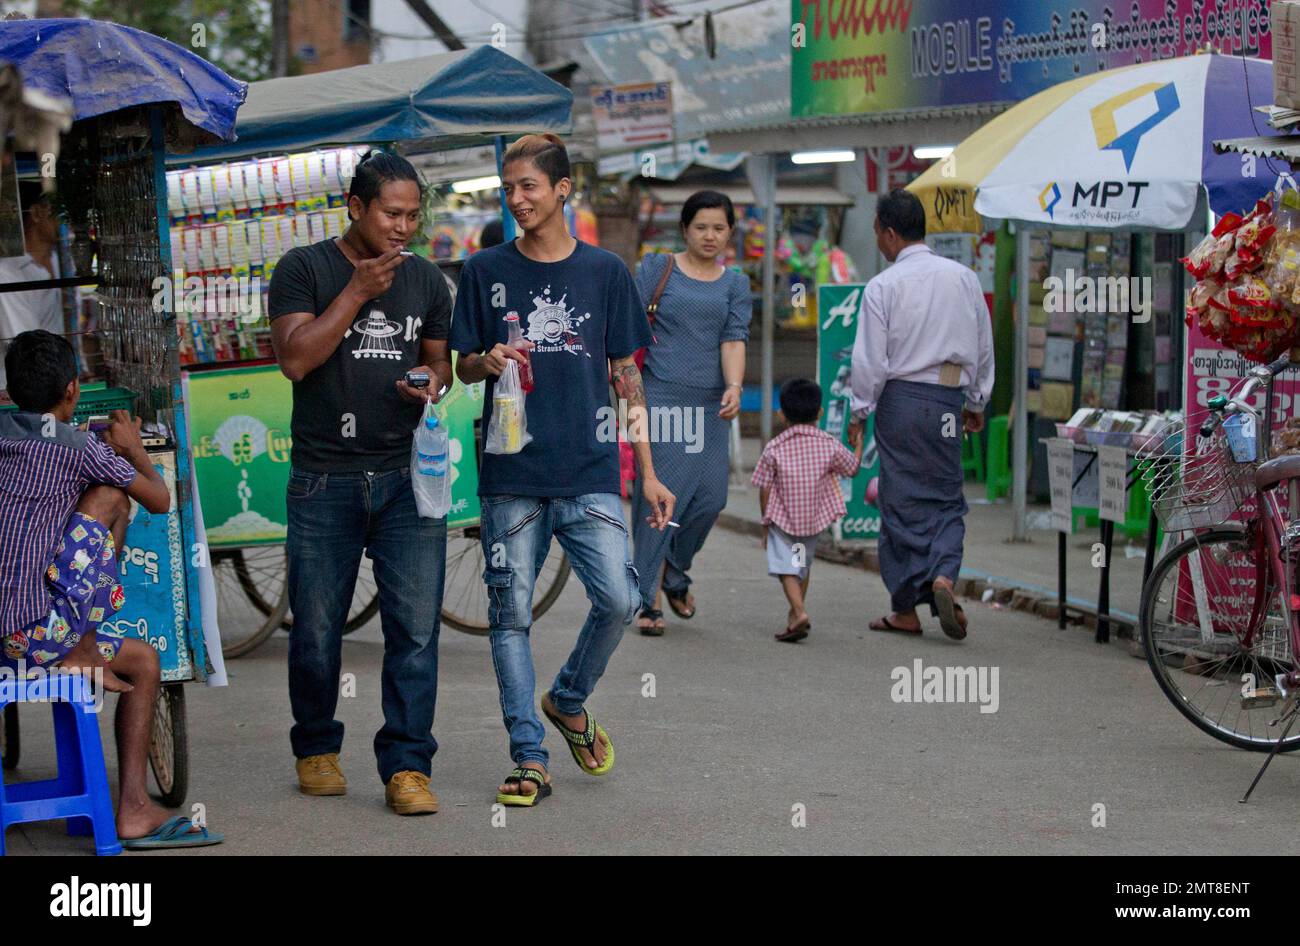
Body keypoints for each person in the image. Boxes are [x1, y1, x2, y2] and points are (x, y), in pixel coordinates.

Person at [451, 133, 674, 807]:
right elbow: (461, 363)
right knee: (509, 617)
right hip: (510, 474)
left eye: (529, 187)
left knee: (619, 599)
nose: (517, 199)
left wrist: (652, 472)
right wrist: (483, 362)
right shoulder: (483, 270)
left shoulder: (606, 273)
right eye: (508, 188)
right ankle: (529, 758)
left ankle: (568, 697)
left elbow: (627, 377)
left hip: (590, 469)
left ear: (562, 190)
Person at [268, 150, 454, 816]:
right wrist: (356, 292)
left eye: (412, 215)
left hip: (408, 478)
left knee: (416, 630)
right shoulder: (304, 269)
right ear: (355, 206)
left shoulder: (430, 282)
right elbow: (294, 358)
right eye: (390, 213)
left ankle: (407, 765)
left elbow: (441, 368)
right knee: (317, 630)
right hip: (326, 480)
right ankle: (316, 746)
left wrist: (429, 384)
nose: (403, 227)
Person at [0, 330, 221, 848]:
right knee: (111, 499)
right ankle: (133, 809)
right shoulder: (77, 447)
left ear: (10, 392)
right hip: (34, 637)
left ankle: (83, 645)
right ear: (74, 390)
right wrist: (134, 450)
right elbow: (161, 500)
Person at [847, 189, 994, 640]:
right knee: (946, 496)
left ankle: (906, 608)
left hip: (901, 404)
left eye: (876, 232)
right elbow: (984, 345)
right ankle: (944, 575)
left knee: (900, 499)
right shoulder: (965, 278)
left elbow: (870, 360)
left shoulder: (883, 286)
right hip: (948, 402)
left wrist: (858, 410)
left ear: (890, 233)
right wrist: (976, 402)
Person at [631, 190, 750, 635]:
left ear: (730, 233)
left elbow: (734, 338)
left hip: (711, 405)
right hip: (660, 396)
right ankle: (648, 599)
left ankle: (674, 573)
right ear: (685, 229)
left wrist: (735, 385)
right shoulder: (657, 269)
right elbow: (629, 322)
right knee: (660, 497)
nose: (709, 235)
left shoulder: (735, 283)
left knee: (711, 499)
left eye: (719, 228)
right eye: (701, 227)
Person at [752, 378, 862, 643]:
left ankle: (799, 611)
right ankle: (794, 614)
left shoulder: (774, 448)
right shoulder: (829, 444)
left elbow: (765, 487)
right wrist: (858, 443)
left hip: (782, 519)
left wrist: (766, 520)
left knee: (785, 568)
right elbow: (852, 468)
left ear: (781, 415)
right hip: (812, 521)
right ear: (820, 413)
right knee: (800, 565)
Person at [0, 184, 64, 392]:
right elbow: (26, 348)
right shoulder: (8, 275)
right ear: (36, 213)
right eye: (59, 211)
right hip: (26, 394)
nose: (65, 221)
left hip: (55, 383)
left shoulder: (60, 261)